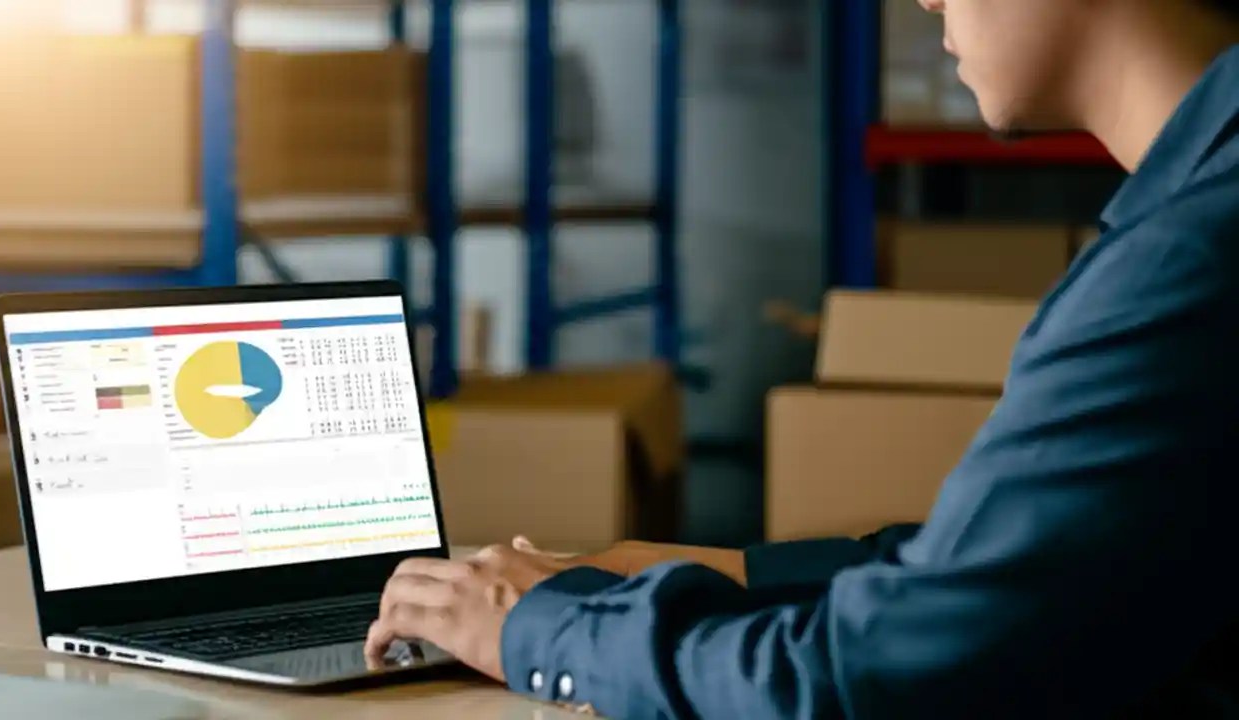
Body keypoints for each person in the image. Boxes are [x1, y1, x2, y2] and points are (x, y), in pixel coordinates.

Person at [365, 0, 1239, 716]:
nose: (926, 0)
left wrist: (538, 634)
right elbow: (1039, 565)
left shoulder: (1184, 262)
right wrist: (729, 573)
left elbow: (874, 683)